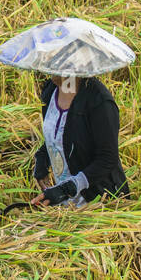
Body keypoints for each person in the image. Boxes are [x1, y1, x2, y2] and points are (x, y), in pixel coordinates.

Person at [30, 74, 129, 208]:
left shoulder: (99, 102)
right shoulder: (50, 91)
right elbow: (60, 137)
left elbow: (107, 158)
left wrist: (68, 188)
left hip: (98, 204)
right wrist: (42, 159)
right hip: (65, 205)